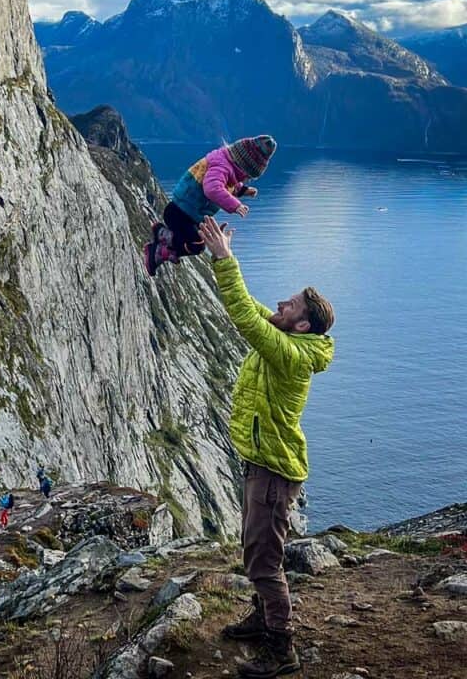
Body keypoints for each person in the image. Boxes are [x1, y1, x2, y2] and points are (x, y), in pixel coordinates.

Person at [199, 216, 335, 679]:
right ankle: (261, 620)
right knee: (253, 547)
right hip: (262, 464)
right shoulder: (286, 339)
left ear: (301, 324)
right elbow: (252, 310)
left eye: (290, 302)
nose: (281, 301)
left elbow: (245, 318)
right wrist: (224, 261)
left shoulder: (291, 356)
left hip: (274, 472)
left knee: (265, 559)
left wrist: (225, 260)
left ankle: (282, 649)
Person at [144, 135, 276, 277]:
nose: (246, 179)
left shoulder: (225, 164)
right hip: (180, 213)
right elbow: (212, 188)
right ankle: (160, 249)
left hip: (185, 212)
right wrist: (235, 205)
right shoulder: (221, 167)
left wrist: (243, 190)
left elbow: (230, 183)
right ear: (242, 166)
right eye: (247, 176)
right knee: (197, 245)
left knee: (198, 244)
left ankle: (162, 234)